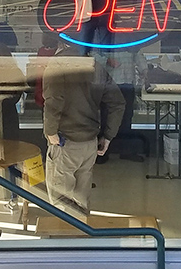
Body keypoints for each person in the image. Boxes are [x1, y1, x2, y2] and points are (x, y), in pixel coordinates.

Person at [43, 42, 125, 218]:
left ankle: (67, 241)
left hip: (65, 142)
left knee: (60, 203)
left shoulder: (57, 65)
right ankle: (82, 239)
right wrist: (108, 136)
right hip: (89, 143)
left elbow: (54, 100)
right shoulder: (94, 65)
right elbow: (117, 102)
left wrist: (50, 131)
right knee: (81, 201)